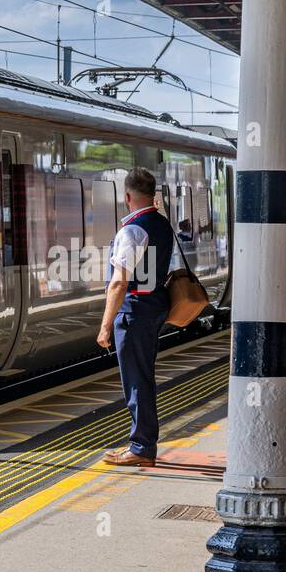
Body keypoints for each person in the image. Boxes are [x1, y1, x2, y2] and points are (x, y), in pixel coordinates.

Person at [97, 167, 174, 467]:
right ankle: (142, 442)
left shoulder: (131, 230)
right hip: (153, 307)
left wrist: (105, 325)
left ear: (127, 196)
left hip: (133, 312)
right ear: (152, 194)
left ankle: (141, 447)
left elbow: (119, 282)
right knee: (142, 377)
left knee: (136, 381)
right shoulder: (162, 225)